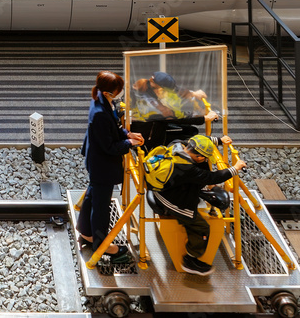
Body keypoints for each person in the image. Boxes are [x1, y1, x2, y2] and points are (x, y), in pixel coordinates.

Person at [77, 70, 145, 267]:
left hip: (97, 162)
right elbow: (108, 146)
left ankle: (86, 232)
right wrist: (129, 144)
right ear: (109, 92)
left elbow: (113, 129)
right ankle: (102, 244)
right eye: (118, 90)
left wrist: (128, 134)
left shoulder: (101, 100)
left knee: (93, 196)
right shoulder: (99, 114)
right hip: (102, 164)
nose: (121, 93)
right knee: (101, 207)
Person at [154, 134, 246, 276]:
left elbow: (194, 139)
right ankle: (190, 260)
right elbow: (211, 177)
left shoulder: (177, 144)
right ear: (199, 157)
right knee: (201, 227)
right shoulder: (186, 168)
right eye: (204, 157)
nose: (204, 160)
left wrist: (219, 140)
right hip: (169, 200)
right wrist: (235, 168)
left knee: (199, 183)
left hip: (162, 188)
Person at [129, 71, 219, 150]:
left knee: (191, 130)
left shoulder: (149, 85)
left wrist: (193, 94)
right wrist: (204, 118)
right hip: (146, 138)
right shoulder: (148, 101)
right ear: (160, 89)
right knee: (188, 135)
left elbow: (175, 89)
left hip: (157, 126)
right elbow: (174, 116)